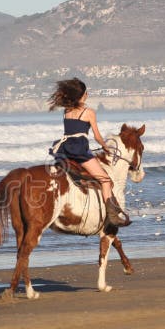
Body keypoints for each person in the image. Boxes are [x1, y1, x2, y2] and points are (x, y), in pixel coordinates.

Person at [48, 78, 131, 227]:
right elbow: (97, 137)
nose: (87, 94)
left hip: (66, 149)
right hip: (80, 150)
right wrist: (105, 147)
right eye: (86, 92)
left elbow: (72, 131)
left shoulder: (67, 111)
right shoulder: (88, 112)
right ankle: (112, 216)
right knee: (105, 180)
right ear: (83, 94)